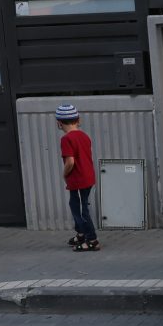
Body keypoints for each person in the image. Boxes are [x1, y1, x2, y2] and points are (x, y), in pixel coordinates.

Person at [57, 104, 100, 252]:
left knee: (81, 210)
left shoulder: (66, 139)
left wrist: (64, 174)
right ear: (78, 120)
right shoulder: (84, 136)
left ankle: (92, 239)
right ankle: (81, 234)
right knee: (75, 205)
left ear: (59, 122)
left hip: (78, 180)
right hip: (87, 177)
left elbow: (70, 162)